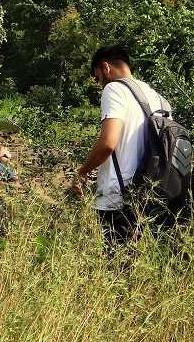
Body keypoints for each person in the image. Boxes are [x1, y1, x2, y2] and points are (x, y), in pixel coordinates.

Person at [72, 44, 171, 244]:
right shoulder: (158, 99)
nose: (100, 84)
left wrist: (82, 172)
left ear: (106, 67)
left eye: (98, 77)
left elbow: (108, 143)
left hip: (118, 199)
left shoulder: (114, 89)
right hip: (151, 197)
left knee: (113, 260)